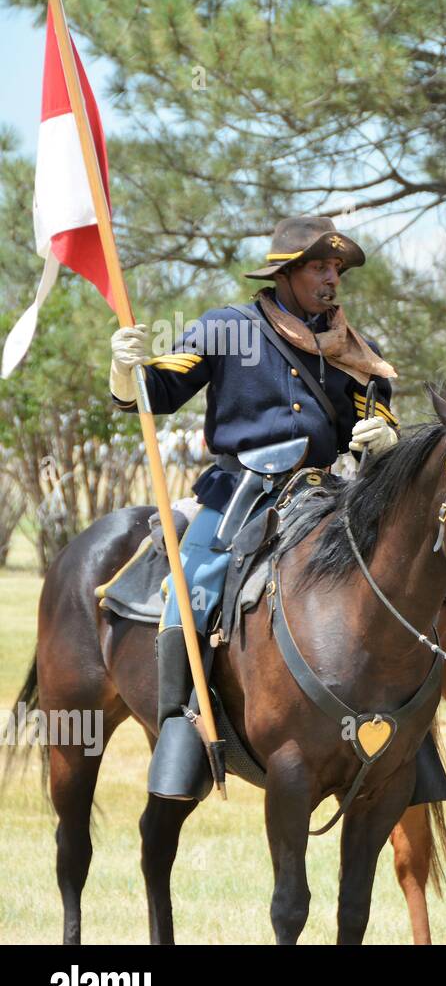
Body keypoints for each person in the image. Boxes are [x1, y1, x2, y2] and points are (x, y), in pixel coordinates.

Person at [108, 215, 399, 800]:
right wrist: (124, 367)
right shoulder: (226, 329)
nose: (331, 279)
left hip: (323, 494)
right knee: (192, 589)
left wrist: (382, 440)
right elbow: (155, 392)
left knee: (394, 583)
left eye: (337, 269)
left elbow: (378, 418)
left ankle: (402, 742)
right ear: (285, 274)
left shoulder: (354, 348)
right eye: (319, 266)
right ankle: (180, 730)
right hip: (238, 495)